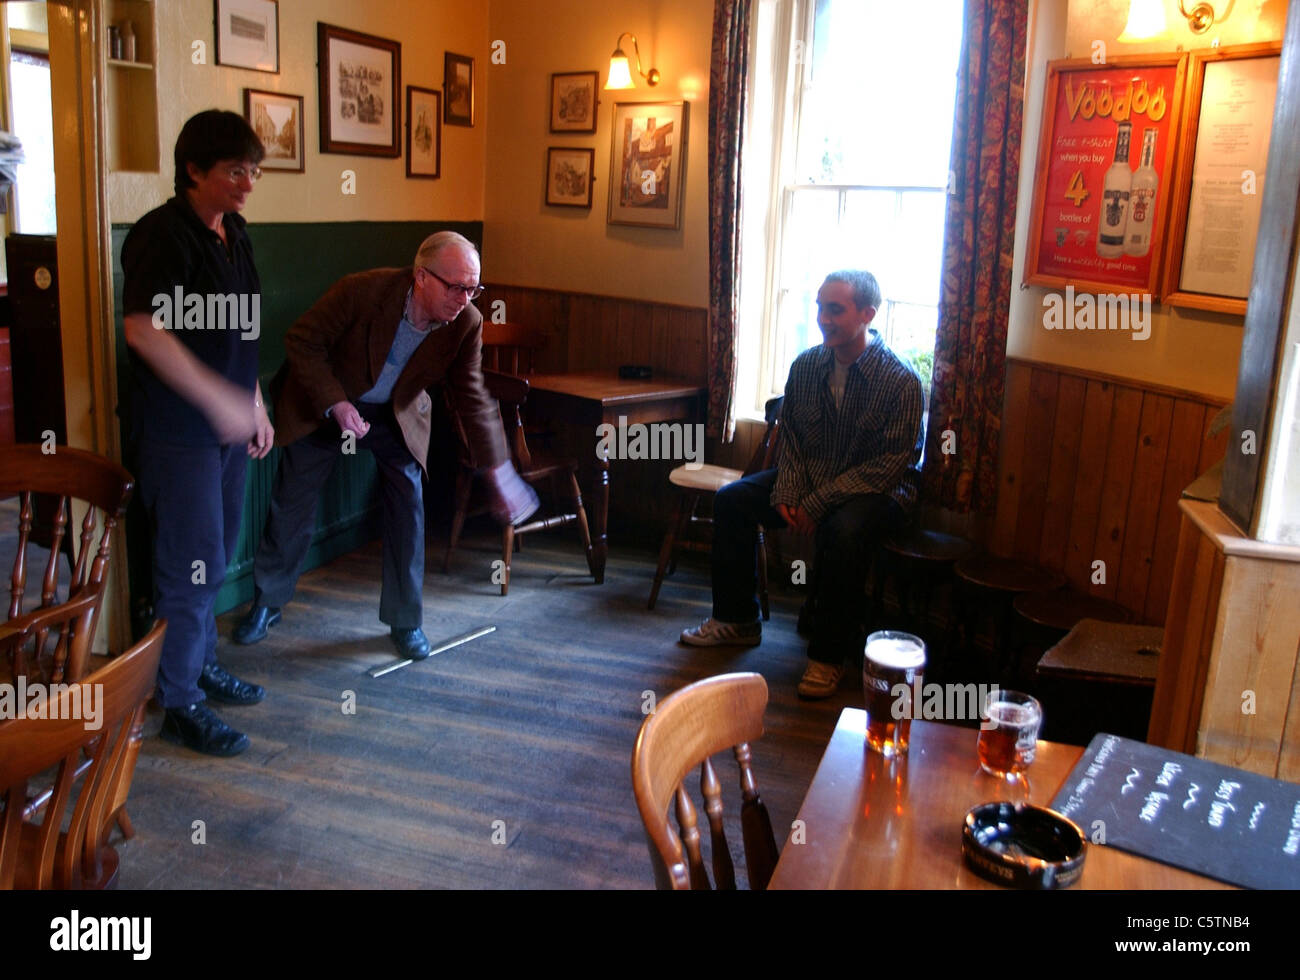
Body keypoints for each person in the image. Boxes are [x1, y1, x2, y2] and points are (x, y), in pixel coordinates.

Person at [233, 232, 537, 657]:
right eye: (456, 286)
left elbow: (472, 395)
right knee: (293, 499)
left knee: (408, 503)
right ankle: (266, 603)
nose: (465, 299)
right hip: (327, 401)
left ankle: (405, 620)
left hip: (393, 414)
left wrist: (499, 471)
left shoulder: (466, 322)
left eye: (474, 288)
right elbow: (302, 342)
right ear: (421, 278)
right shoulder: (361, 291)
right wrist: (335, 404)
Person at [680, 269, 923, 699]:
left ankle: (827, 657)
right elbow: (790, 438)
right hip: (811, 479)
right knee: (733, 501)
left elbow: (889, 464)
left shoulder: (900, 379)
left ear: (868, 313)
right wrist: (792, 493)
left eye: (836, 309)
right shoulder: (807, 366)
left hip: (878, 492)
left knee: (843, 530)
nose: (823, 318)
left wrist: (818, 503)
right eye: (819, 307)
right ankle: (738, 619)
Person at [120, 109, 274, 757]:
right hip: (178, 434)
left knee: (214, 557)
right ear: (194, 170)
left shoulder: (233, 235)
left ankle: (199, 666)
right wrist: (218, 402)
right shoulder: (160, 236)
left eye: (253, 171)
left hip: (229, 431)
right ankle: (177, 700)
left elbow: (242, 334)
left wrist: (256, 406)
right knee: (187, 566)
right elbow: (143, 330)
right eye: (235, 170)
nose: (247, 183)